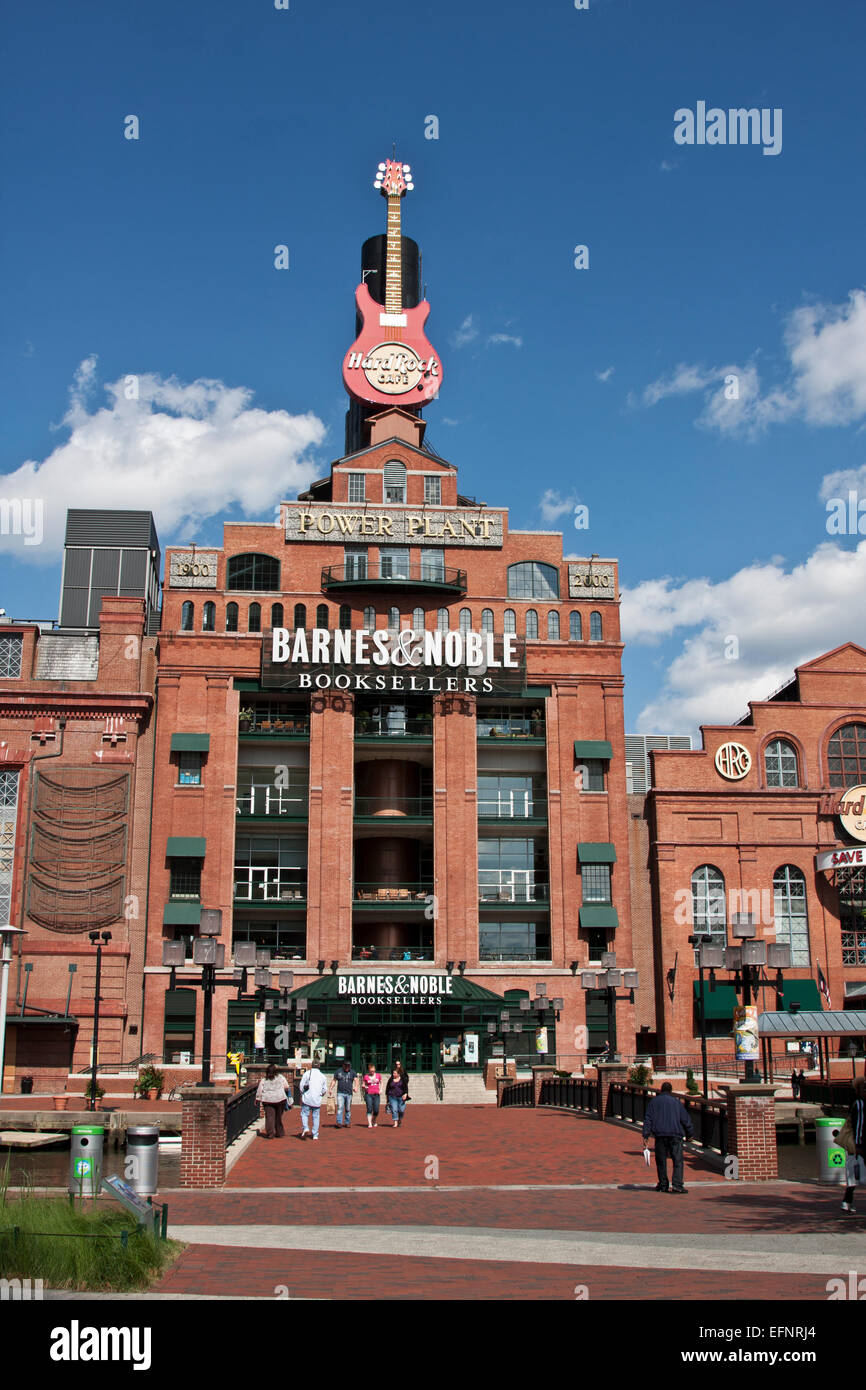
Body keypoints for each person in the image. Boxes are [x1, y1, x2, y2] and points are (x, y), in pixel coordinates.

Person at [641, 1080, 694, 1194]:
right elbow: (685, 1119)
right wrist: (690, 1133)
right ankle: (677, 1185)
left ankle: (663, 1184)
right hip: (675, 1135)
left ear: (661, 1090)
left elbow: (648, 1119)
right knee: (677, 1160)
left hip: (660, 1135)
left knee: (661, 1161)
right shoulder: (676, 1102)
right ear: (670, 1091)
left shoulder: (654, 1102)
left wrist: (646, 1135)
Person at [841, 1076, 866, 1214]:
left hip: (855, 1144)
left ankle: (847, 1201)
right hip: (859, 1144)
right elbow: (859, 1125)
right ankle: (846, 1201)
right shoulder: (860, 1104)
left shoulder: (855, 1103)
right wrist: (858, 1145)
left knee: (853, 1174)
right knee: (855, 1173)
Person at [255, 1063, 291, 1139]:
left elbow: (259, 1091)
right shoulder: (281, 1077)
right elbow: (287, 1087)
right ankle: (280, 1132)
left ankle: (270, 1133)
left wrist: (257, 1099)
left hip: (268, 1100)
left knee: (270, 1117)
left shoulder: (264, 1080)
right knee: (278, 1117)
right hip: (280, 1099)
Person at [298, 1059, 328, 1140]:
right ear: (319, 1066)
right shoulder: (323, 1076)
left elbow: (301, 1086)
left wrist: (302, 1093)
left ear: (312, 1065)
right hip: (317, 1100)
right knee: (316, 1116)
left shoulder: (307, 1074)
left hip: (307, 1098)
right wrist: (320, 1095)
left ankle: (305, 1127)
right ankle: (315, 1134)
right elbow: (324, 1089)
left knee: (304, 1114)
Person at [330, 1059, 358, 1128]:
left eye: (348, 1066)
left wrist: (356, 1087)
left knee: (348, 1108)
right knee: (340, 1107)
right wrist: (330, 1088)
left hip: (349, 1093)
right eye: (346, 1066)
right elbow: (334, 1080)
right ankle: (339, 1122)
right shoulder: (338, 1071)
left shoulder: (352, 1072)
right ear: (343, 1065)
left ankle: (347, 1122)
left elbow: (356, 1080)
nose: (347, 1067)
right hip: (340, 1092)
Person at [362, 1061, 382, 1128]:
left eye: (373, 1071)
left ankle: (374, 1120)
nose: (372, 1072)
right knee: (369, 1108)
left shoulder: (378, 1075)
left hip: (376, 1094)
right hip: (369, 1094)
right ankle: (370, 1123)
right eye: (371, 1071)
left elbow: (381, 1082)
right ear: (369, 1070)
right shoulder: (366, 1076)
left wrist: (381, 1089)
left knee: (376, 1110)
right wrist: (365, 1087)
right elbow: (363, 1084)